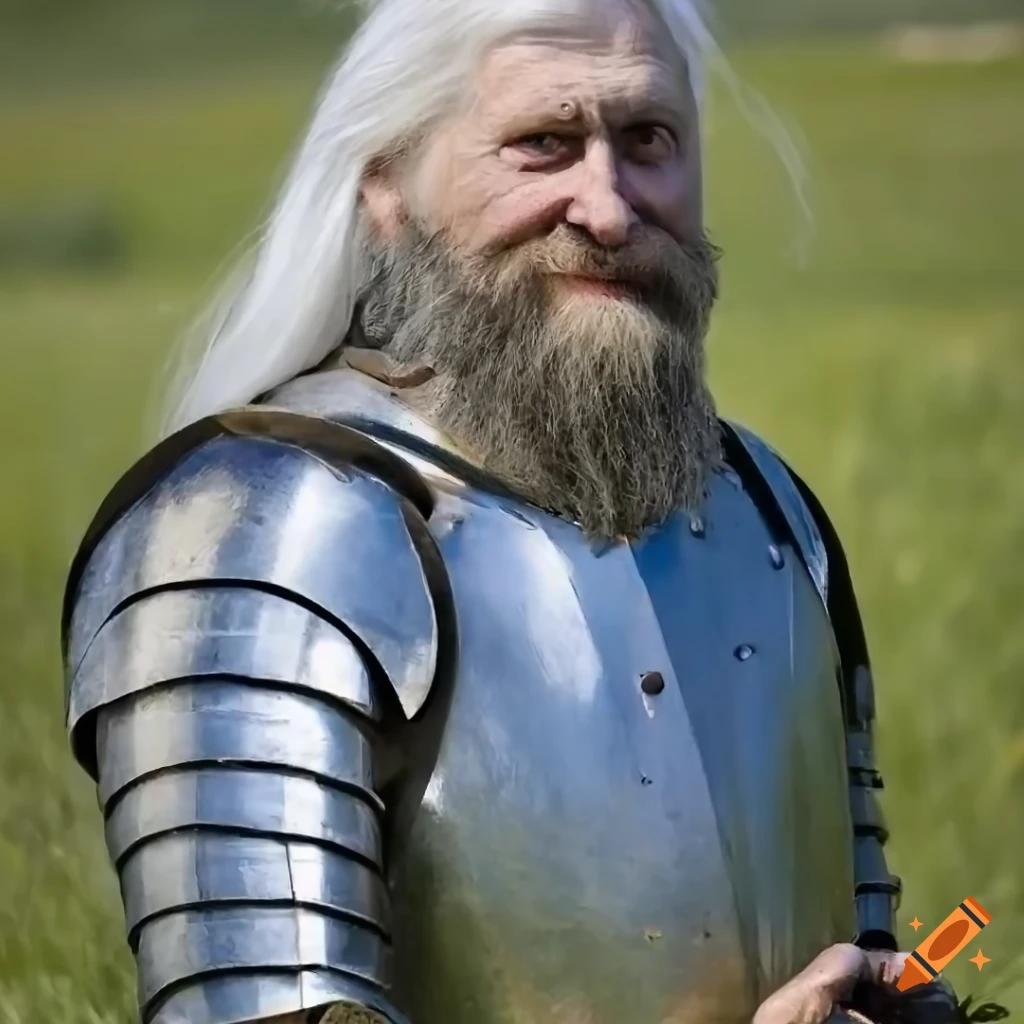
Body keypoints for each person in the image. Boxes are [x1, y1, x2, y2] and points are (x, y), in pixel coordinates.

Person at [60, 1, 959, 1023]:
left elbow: (871, 958)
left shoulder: (767, 516)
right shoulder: (269, 541)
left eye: (647, 141)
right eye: (545, 144)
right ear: (388, 187)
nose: (609, 208)